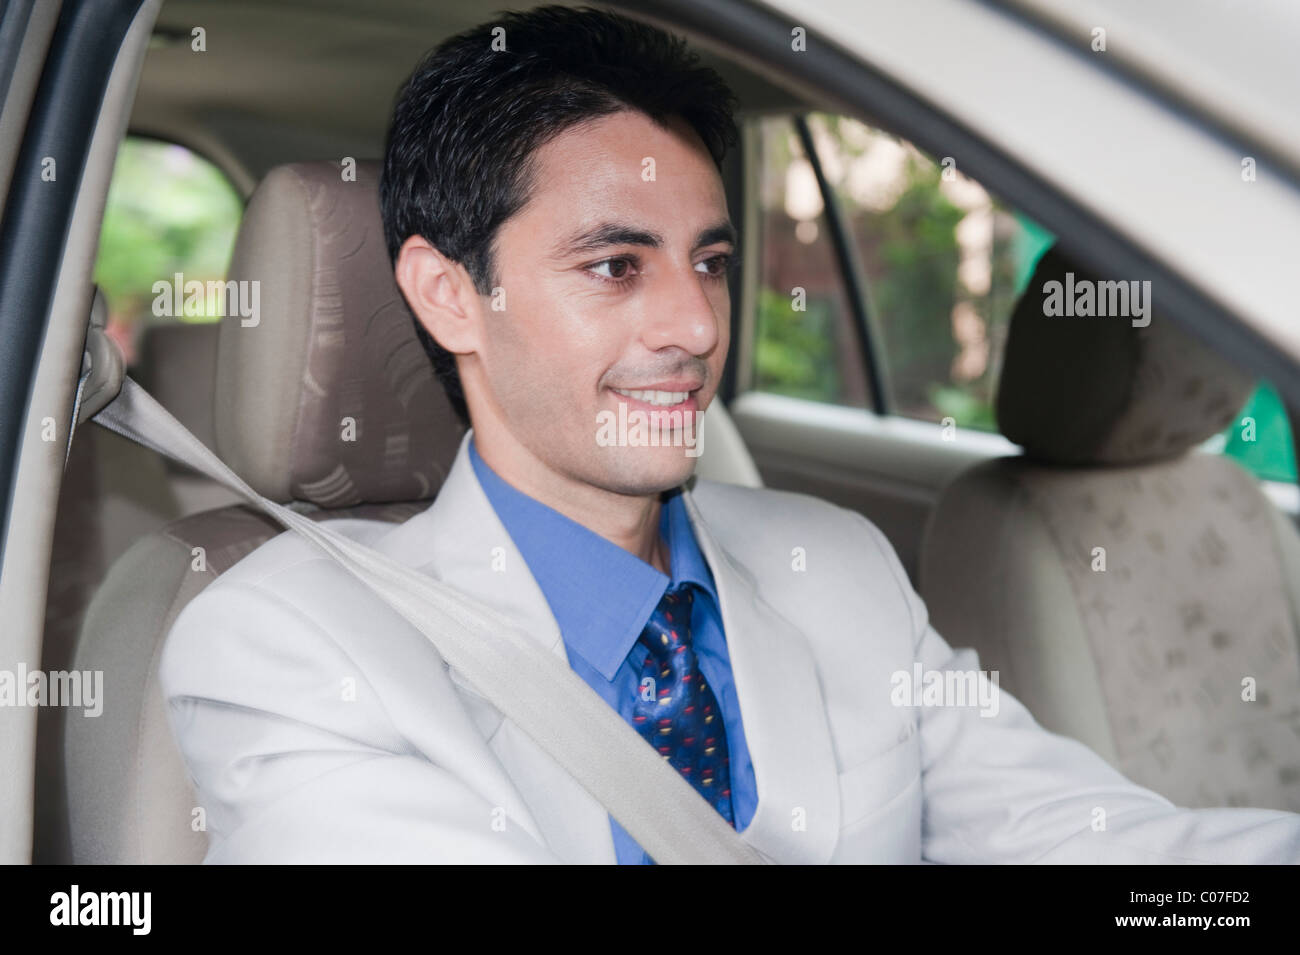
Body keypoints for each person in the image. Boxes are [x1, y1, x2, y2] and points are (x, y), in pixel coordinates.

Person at [159, 4, 1300, 863]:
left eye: (708, 261)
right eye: (614, 265)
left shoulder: (837, 564)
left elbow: (1092, 846)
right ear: (451, 294)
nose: (696, 323)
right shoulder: (285, 644)